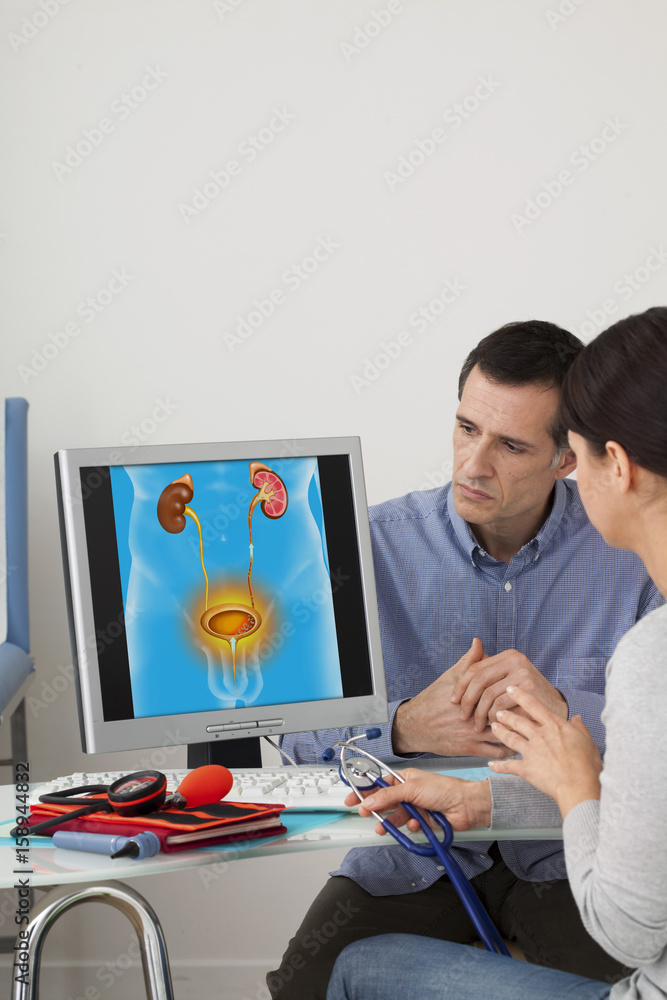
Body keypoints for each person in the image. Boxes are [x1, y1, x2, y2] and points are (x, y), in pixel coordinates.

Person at [267, 320, 662, 1000]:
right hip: (423, 848)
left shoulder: (631, 545)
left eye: (510, 445)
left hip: (575, 855)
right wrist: (402, 728)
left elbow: (651, 747)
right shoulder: (364, 546)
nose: (473, 465)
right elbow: (292, 737)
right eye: (465, 428)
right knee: (305, 985)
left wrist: (563, 715)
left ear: (568, 456)